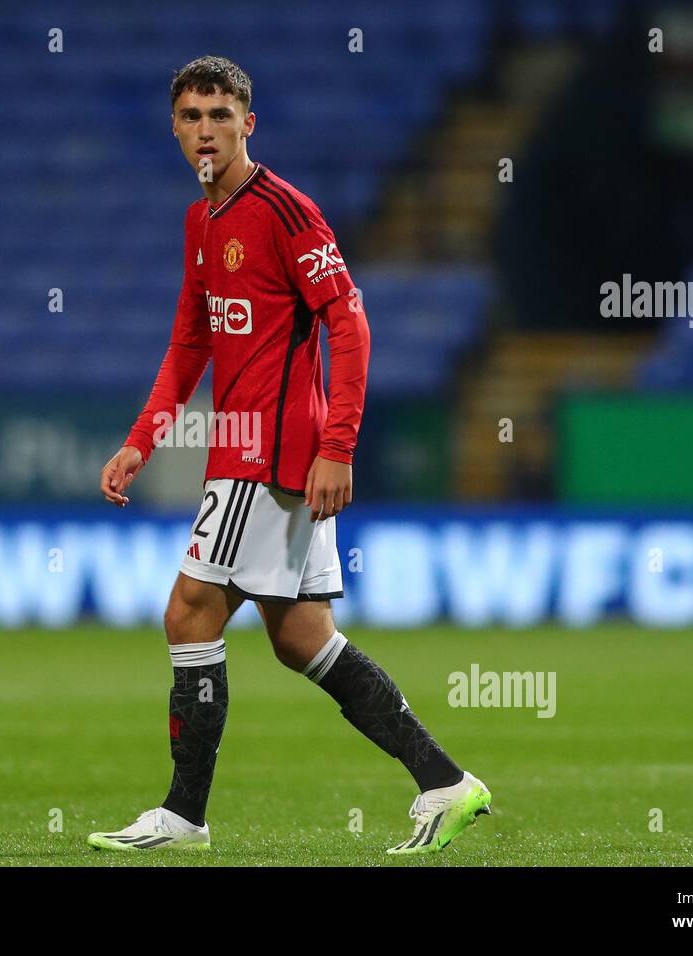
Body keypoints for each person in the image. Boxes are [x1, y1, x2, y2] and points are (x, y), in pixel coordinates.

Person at [90, 56, 490, 854]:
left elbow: (350, 323)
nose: (206, 130)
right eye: (192, 116)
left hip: (272, 455)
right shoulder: (201, 223)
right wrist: (142, 440)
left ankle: (184, 815)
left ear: (249, 124)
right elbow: (190, 344)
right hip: (244, 453)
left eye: (221, 115)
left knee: (188, 612)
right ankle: (446, 783)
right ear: (174, 129)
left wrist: (338, 446)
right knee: (302, 637)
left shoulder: (286, 210)